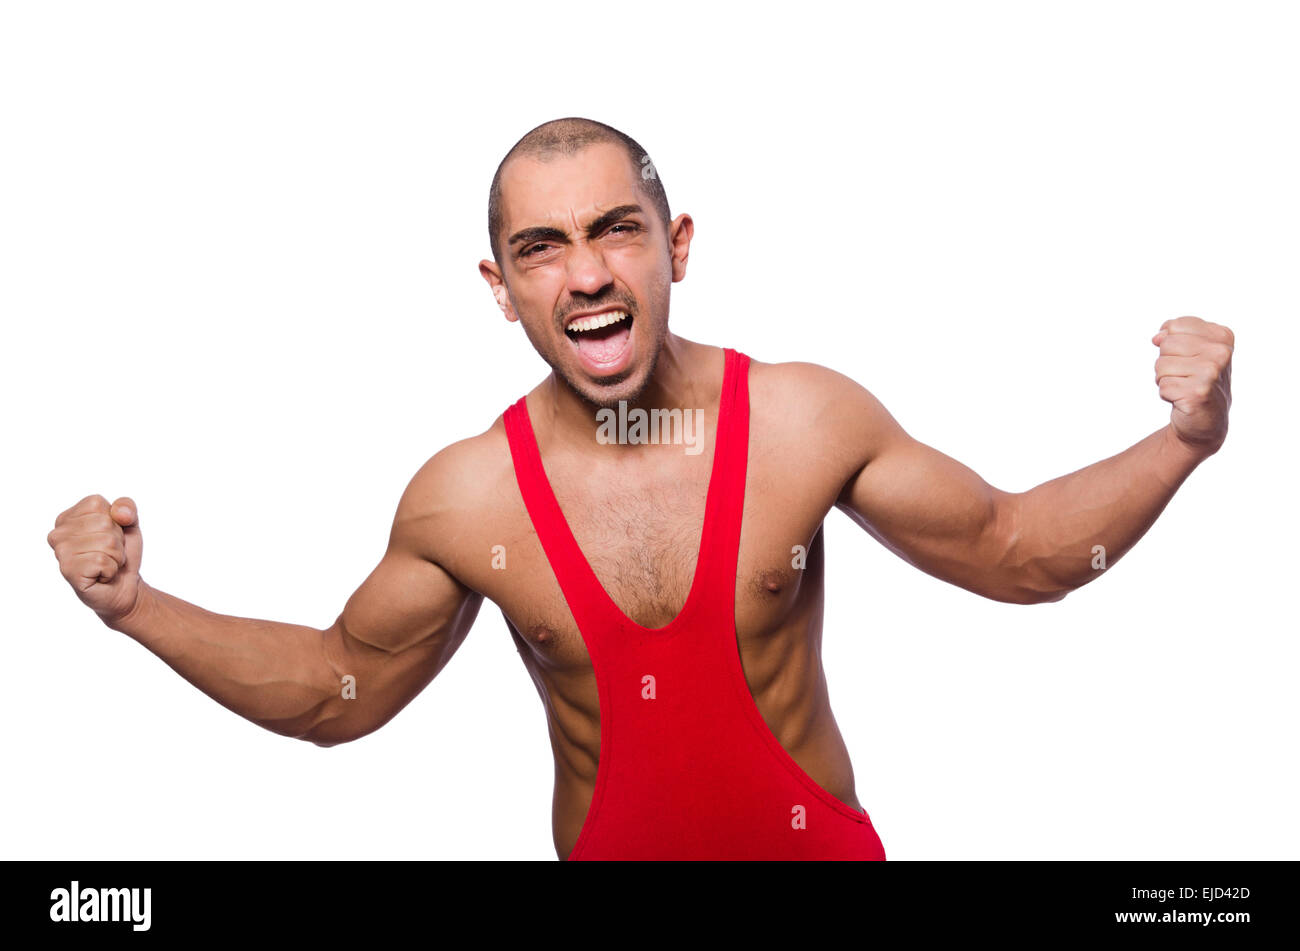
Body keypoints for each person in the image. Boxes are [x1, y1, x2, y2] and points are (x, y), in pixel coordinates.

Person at [46, 116, 1235, 860]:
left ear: (677, 246)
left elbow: (1018, 551)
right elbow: (338, 693)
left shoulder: (801, 422)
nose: (586, 275)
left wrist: (1182, 440)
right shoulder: (467, 502)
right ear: (499, 287)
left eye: (616, 232)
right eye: (541, 248)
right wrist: (138, 607)